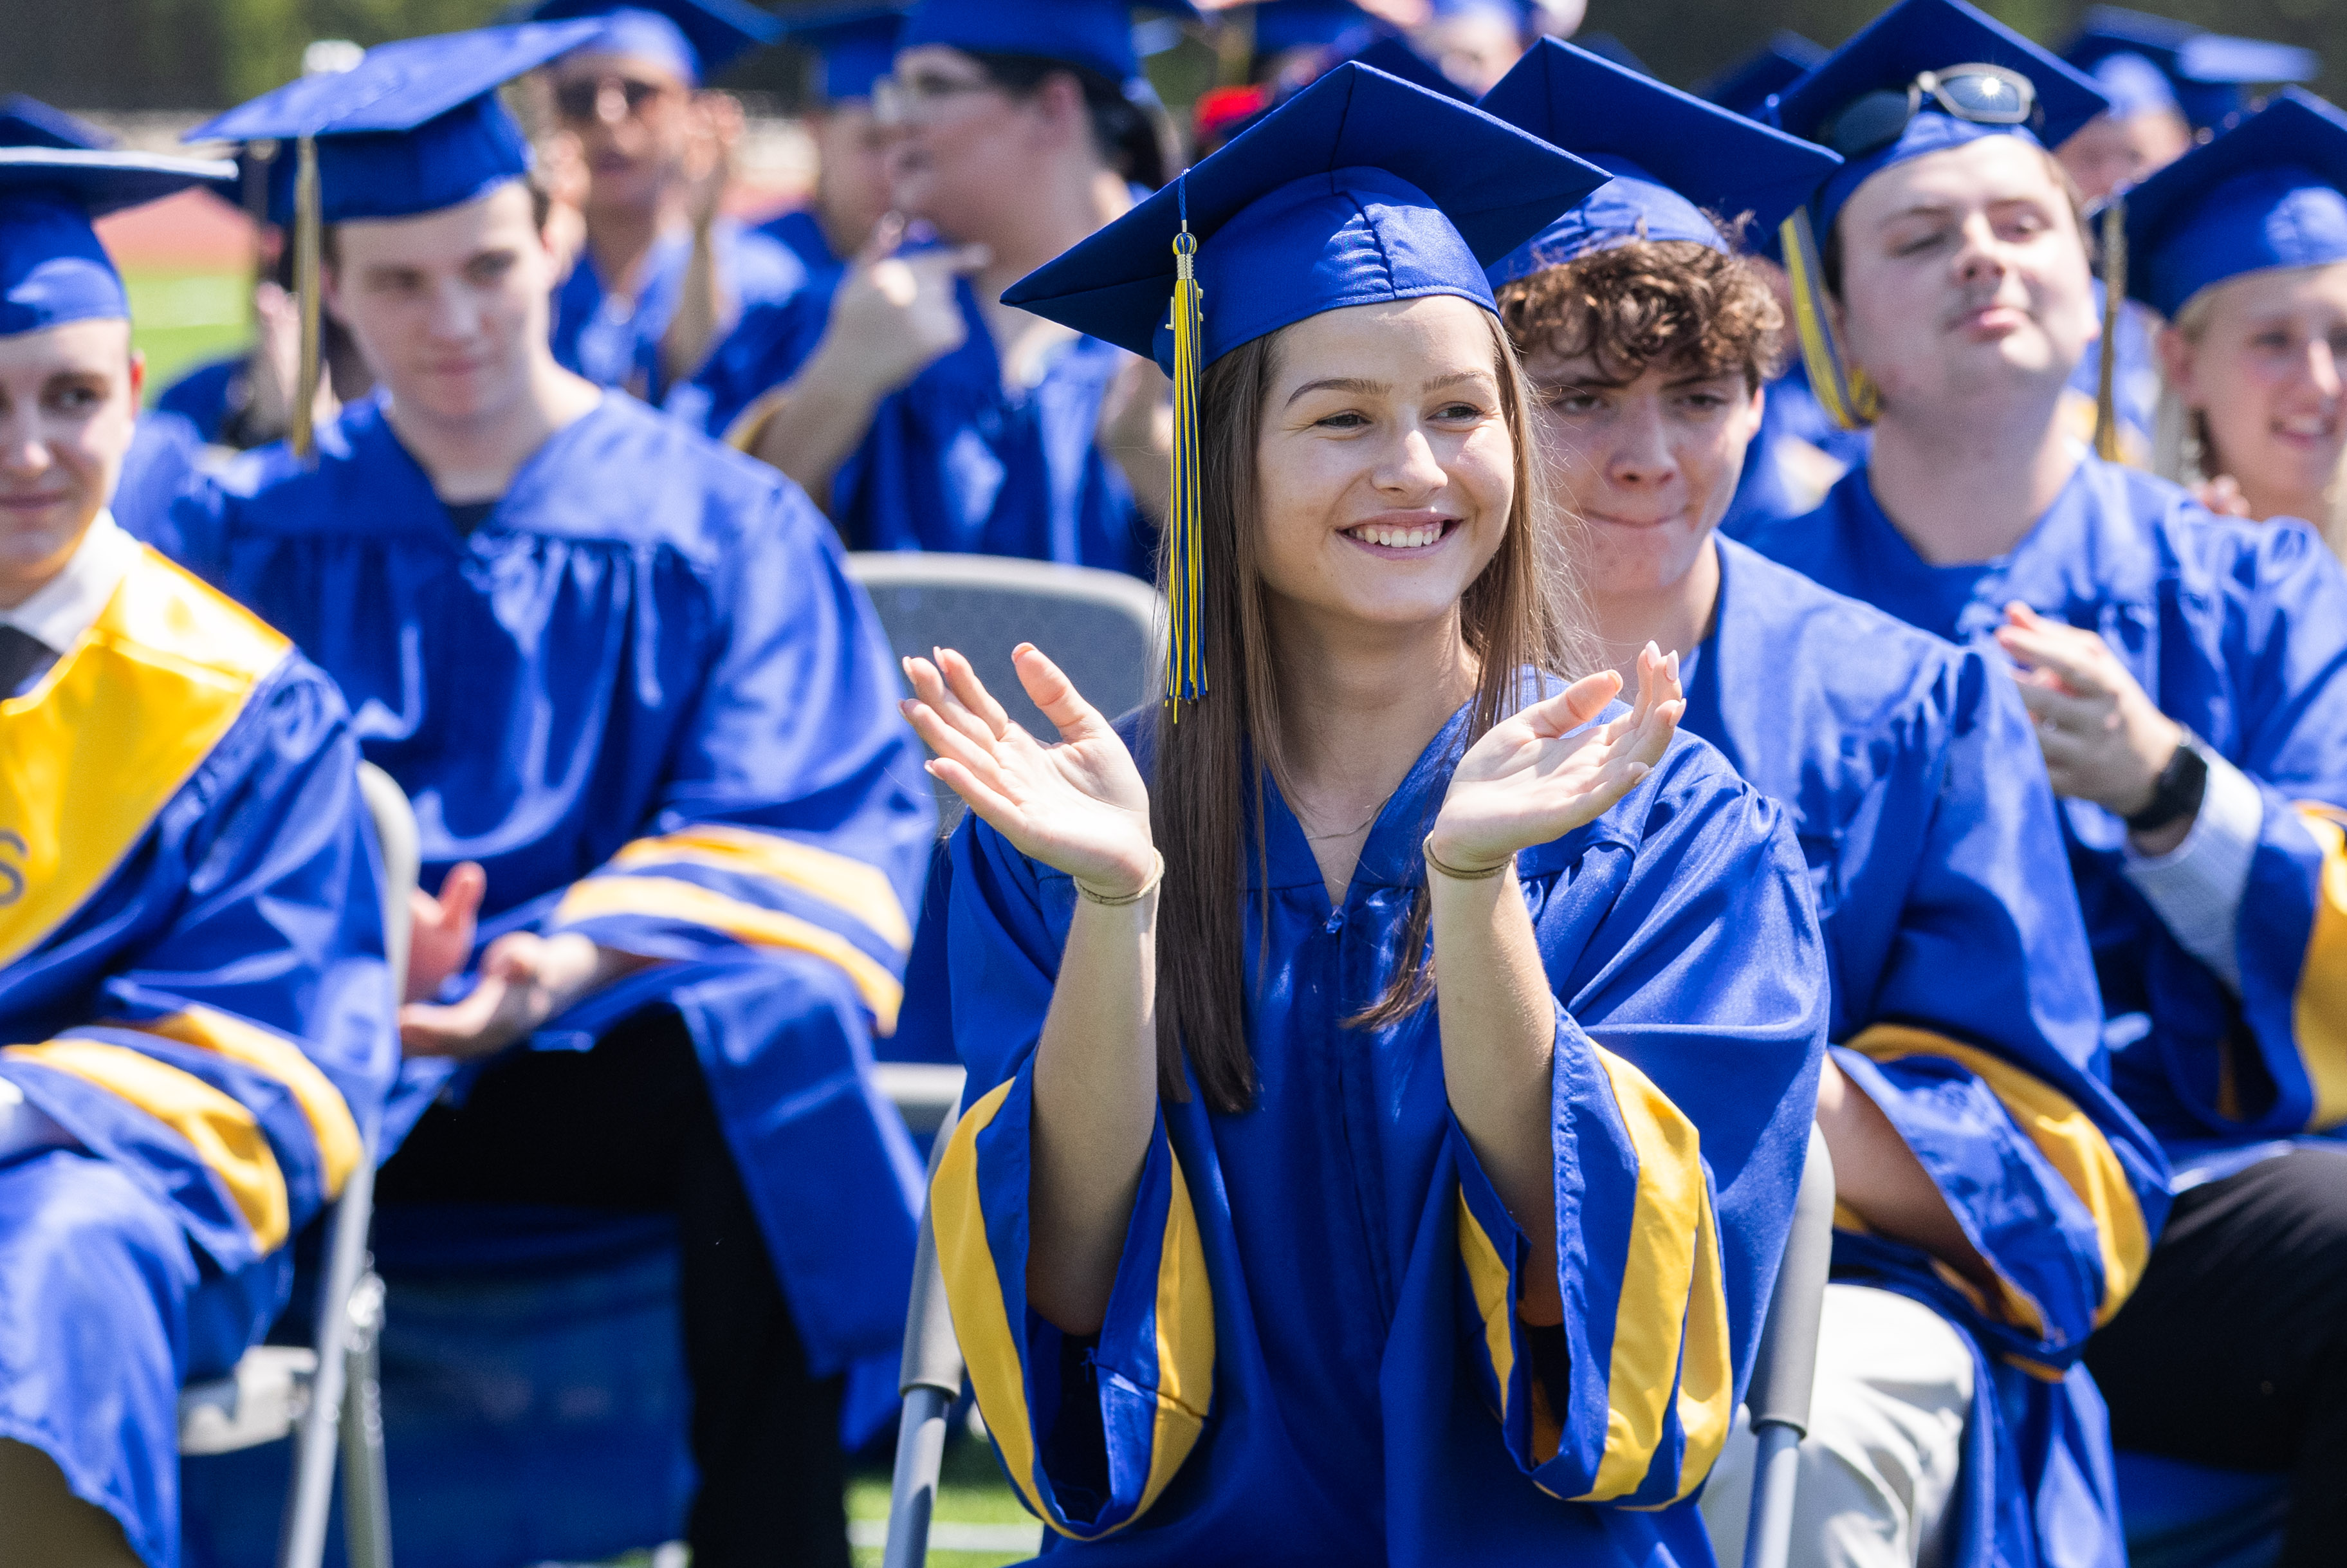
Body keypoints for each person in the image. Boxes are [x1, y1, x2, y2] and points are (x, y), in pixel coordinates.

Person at [907, 61, 1828, 1563]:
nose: (1415, 470)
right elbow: (1066, 1299)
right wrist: (1118, 911)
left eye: (1461, 411)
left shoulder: (1673, 834)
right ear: (1226, 461)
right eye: (1339, 419)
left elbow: (1611, 1295)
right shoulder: (1075, 829)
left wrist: (1473, 893)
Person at [151, 25, 935, 1566]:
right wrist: (349, 963)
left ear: (556, 235)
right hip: (316, 1052)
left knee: (767, 1044)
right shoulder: (245, 532)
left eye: (488, 266)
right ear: (328, 290)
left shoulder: (718, 523)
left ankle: (770, 1543)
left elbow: (804, 816)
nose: (448, 321)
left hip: (596, 1037)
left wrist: (550, 964)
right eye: (394, 282)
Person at [1482, 37, 2170, 1568]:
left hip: (1820, 1301)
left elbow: (2070, 1170)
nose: (1652, 456)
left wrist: (1695, 1116)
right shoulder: (1391, 689)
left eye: (1706, 392)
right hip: (1446, 1284)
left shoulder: (1907, 706)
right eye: (1580, 397)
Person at [1740, 2, 2347, 1558]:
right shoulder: (1752, 606)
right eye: (1920, 235)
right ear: (1838, 327)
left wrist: (2171, 792)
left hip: (2190, 1199)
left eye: (2025, 221)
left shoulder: (2254, 587)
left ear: (2097, 291)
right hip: (1879, 1209)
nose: (1985, 258)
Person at [0, 147, 394, 1568]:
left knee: (41, 1258)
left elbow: (277, 1043)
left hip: (121, 1192)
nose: (27, 452)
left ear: (131, 391)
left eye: (74, 398)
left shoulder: (240, 706)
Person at [697, 0, 1174, 578]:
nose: (894, 119)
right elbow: (713, 546)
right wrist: (837, 384)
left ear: (1052, 108)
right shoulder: (841, 313)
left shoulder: (1204, 308)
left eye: (933, 86)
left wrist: (1153, 451)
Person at [509, 0, 809, 400]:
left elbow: (704, 369)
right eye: (578, 97)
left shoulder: (763, 277)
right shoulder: (510, 271)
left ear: (691, 110)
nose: (608, 115)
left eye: (639, 94)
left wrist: (702, 233)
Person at [2121, 91, 2347, 551]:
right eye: (2273, 340)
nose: (2321, 382)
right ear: (2183, 364)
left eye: (2345, 340)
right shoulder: (2129, 578)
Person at [760, 3, 906, 291]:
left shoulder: (949, 264)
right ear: (815, 129)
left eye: (908, 142)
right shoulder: (753, 268)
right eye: (872, 141)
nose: (893, 170)